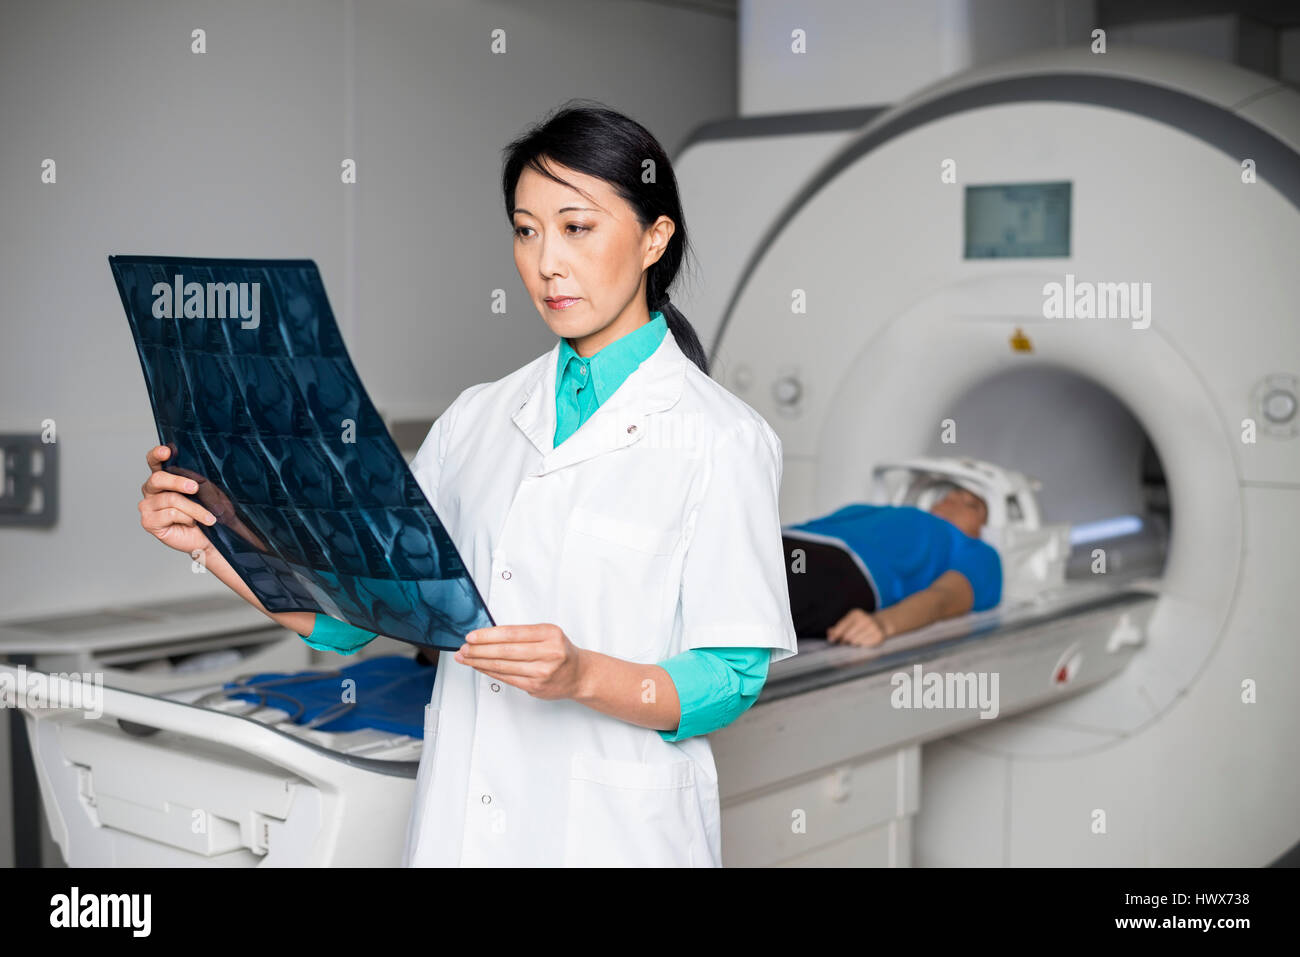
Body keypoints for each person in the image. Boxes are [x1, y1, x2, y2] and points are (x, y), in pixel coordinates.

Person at [135, 101, 798, 867]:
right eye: (526, 229)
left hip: (613, 835)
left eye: (577, 227)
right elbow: (354, 615)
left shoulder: (722, 437)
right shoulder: (476, 418)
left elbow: (730, 678)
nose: (547, 261)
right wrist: (214, 535)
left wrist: (582, 673)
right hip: (461, 831)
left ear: (654, 238)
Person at [781, 485, 1001, 647]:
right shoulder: (880, 511)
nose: (953, 499)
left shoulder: (978, 550)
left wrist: (883, 624)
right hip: (785, 539)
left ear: (983, 528)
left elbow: (943, 598)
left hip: (846, 566)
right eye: (949, 495)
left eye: (971, 505)